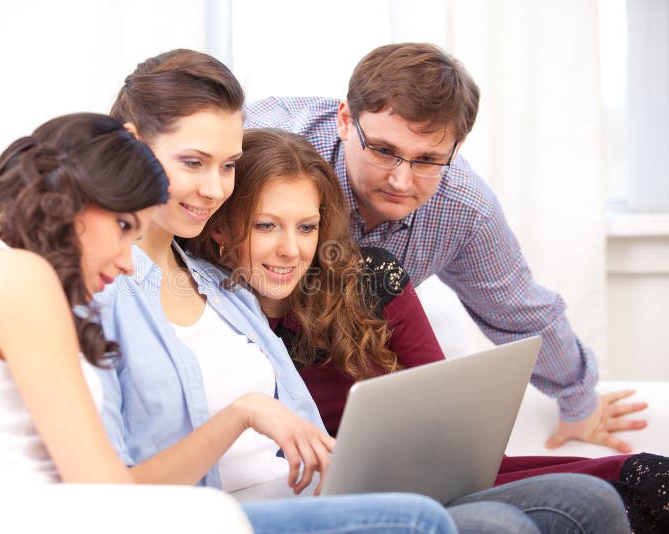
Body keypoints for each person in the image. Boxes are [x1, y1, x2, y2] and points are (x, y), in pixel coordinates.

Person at [0, 112, 457, 534]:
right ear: (76, 202)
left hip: (76, 512)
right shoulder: (20, 278)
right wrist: (242, 413)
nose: (126, 262)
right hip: (53, 519)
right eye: (124, 229)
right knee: (419, 521)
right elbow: (108, 497)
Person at [188, 127, 664, 533]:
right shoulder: (205, 315)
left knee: (636, 484)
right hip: (321, 500)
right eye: (267, 226)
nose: (291, 250)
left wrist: (576, 397)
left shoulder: (371, 279)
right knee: (501, 524)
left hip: (427, 478)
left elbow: (451, 413)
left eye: (306, 228)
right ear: (220, 228)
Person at [243, 42, 648, 454]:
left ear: (457, 148)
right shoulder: (254, 145)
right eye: (384, 151)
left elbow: (519, 310)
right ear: (346, 120)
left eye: (427, 159)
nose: (401, 181)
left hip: (338, 376)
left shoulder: (463, 209)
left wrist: (579, 402)